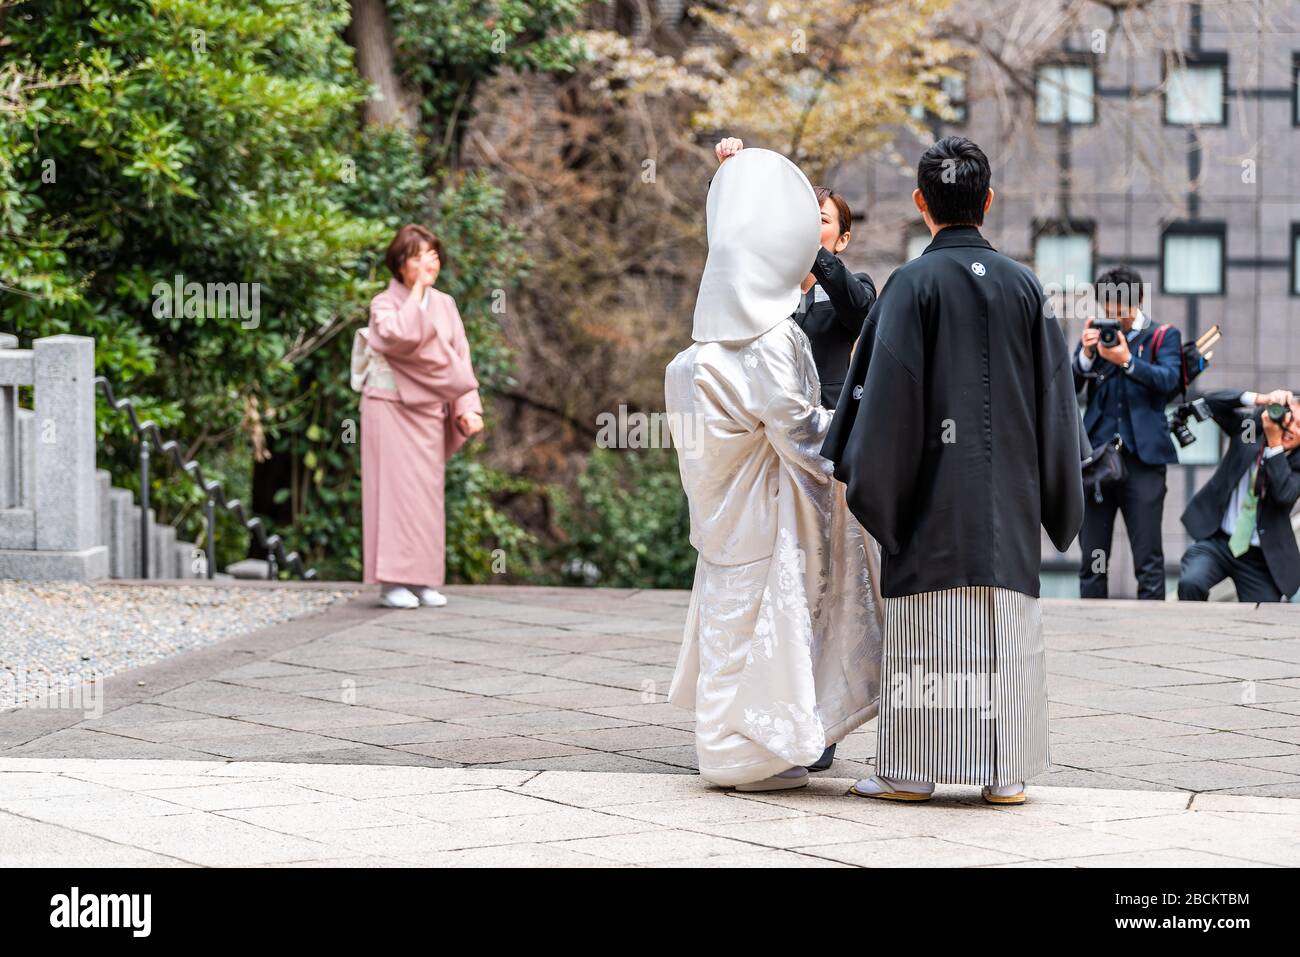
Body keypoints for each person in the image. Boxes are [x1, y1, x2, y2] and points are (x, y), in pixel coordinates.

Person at [822, 136, 1083, 806]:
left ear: (920, 203)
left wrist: (881, 492)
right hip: (1013, 509)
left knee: (928, 644)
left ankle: (911, 770)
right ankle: (1006, 772)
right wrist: (1053, 497)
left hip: (932, 511)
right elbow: (1059, 402)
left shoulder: (911, 284)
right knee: (1008, 637)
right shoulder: (1027, 287)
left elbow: (881, 404)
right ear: (988, 202)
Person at [664, 147, 884, 793]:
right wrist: (864, 437)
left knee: (726, 625)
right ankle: (758, 750)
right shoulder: (770, 341)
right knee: (771, 628)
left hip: (720, 516)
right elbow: (800, 430)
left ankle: (726, 749)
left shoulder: (693, 359)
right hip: (768, 511)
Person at [353, 224, 484, 609]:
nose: (430, 262)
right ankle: (391, 581)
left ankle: (424, 579)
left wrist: (468, 408)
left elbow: (460, 358)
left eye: (433, 254)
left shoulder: (445, 305)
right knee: (390, 494)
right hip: (387, 406)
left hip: (428, 410)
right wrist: (416, 293)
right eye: (419, 256)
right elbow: (395, 338)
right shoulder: (384, 303)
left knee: (426, 496)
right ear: (400, 264)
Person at [716, 137, 877, 409]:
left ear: (843, 239)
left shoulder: (858, 285)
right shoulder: (764, 286)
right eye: (803, 215)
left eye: (821, 220)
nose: (809, 223)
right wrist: (732, 174)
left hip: (828, 425)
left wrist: (810, 246)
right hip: (768, 422)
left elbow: (858, 310)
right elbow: (732, 242)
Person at [1074, 266, 1183, 599]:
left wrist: (1126, 360)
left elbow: (1170, 381)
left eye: (1119, 304)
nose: (1113, 313)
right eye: (1107, 304)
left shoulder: (1162, 335)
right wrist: (1087, 356)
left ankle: (1151, 638)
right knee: (1093, 558)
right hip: (1097, 458)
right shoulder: (1097, 333)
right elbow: (1067, 386)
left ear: (1137, 300)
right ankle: (1091, 634)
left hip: (1144, 460)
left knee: (1148, 557)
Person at [1177, 389, 1300, 602]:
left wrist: (1275, 446)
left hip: (1261, 556)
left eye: (1299, 426)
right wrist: (1261, 399)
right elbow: (1211, 403)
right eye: (1289, 420)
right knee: (1191, 582)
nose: (1290, 429)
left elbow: (1284, 495)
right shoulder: (1250, 431)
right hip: (1219, 541)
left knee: (1265, 619)